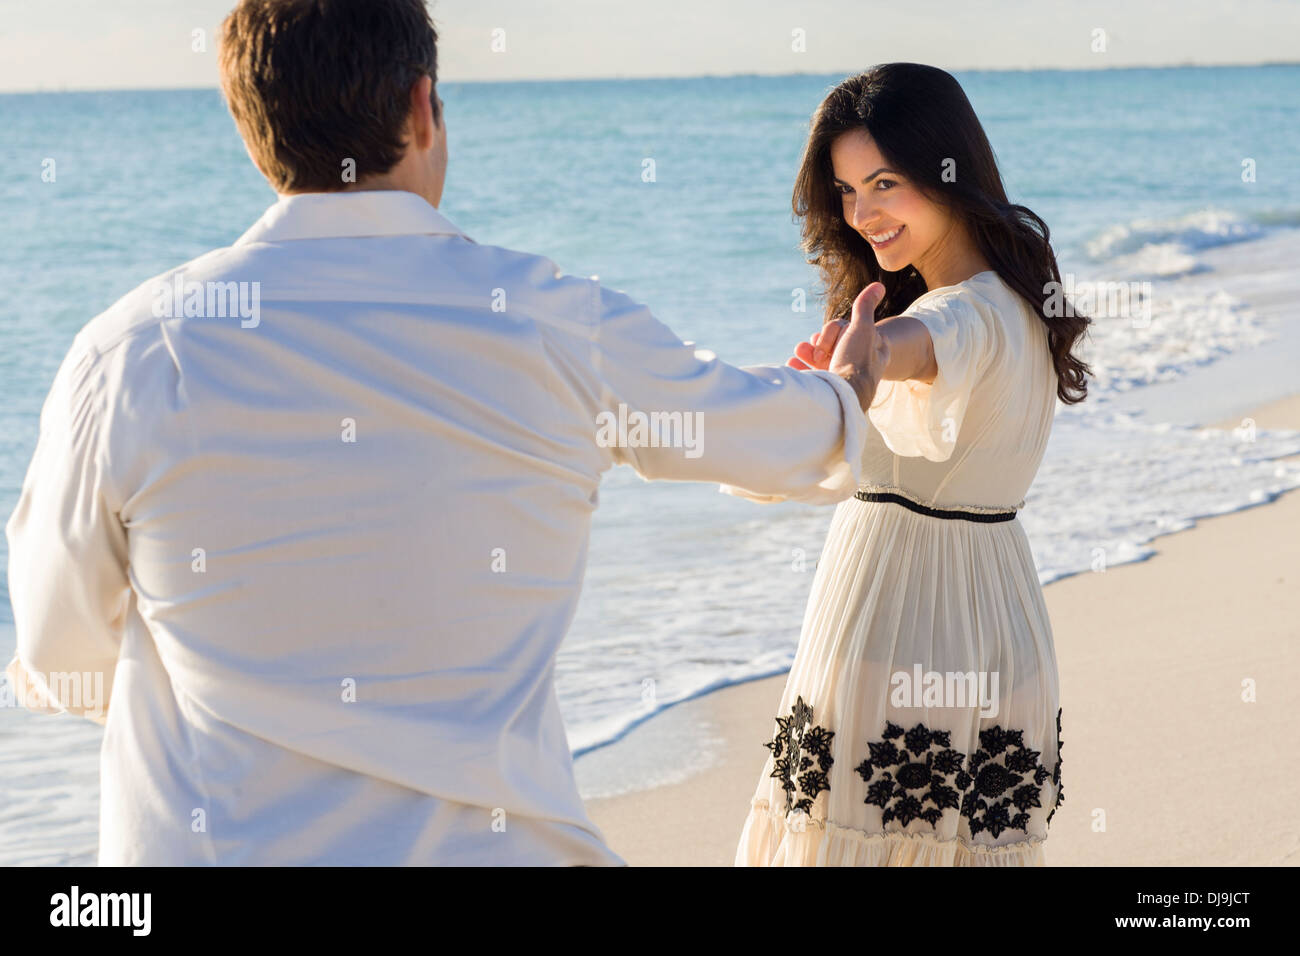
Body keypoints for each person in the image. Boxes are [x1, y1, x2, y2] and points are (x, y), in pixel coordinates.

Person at [3, 0, 890, 866]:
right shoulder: (553, 323)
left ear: (250, 129)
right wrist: (844, 387)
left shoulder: (128, 354)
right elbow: (774, 436)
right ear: (423, 106)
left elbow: (58, 652)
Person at [729, 64, 1091, 866]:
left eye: (885, 182)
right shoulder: (1018, 303)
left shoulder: (954, 316)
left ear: (946, 166)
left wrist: (861, 365)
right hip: (997, 623)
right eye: (848, 190)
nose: (863, 214)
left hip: (899, 621)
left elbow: (922, 345)